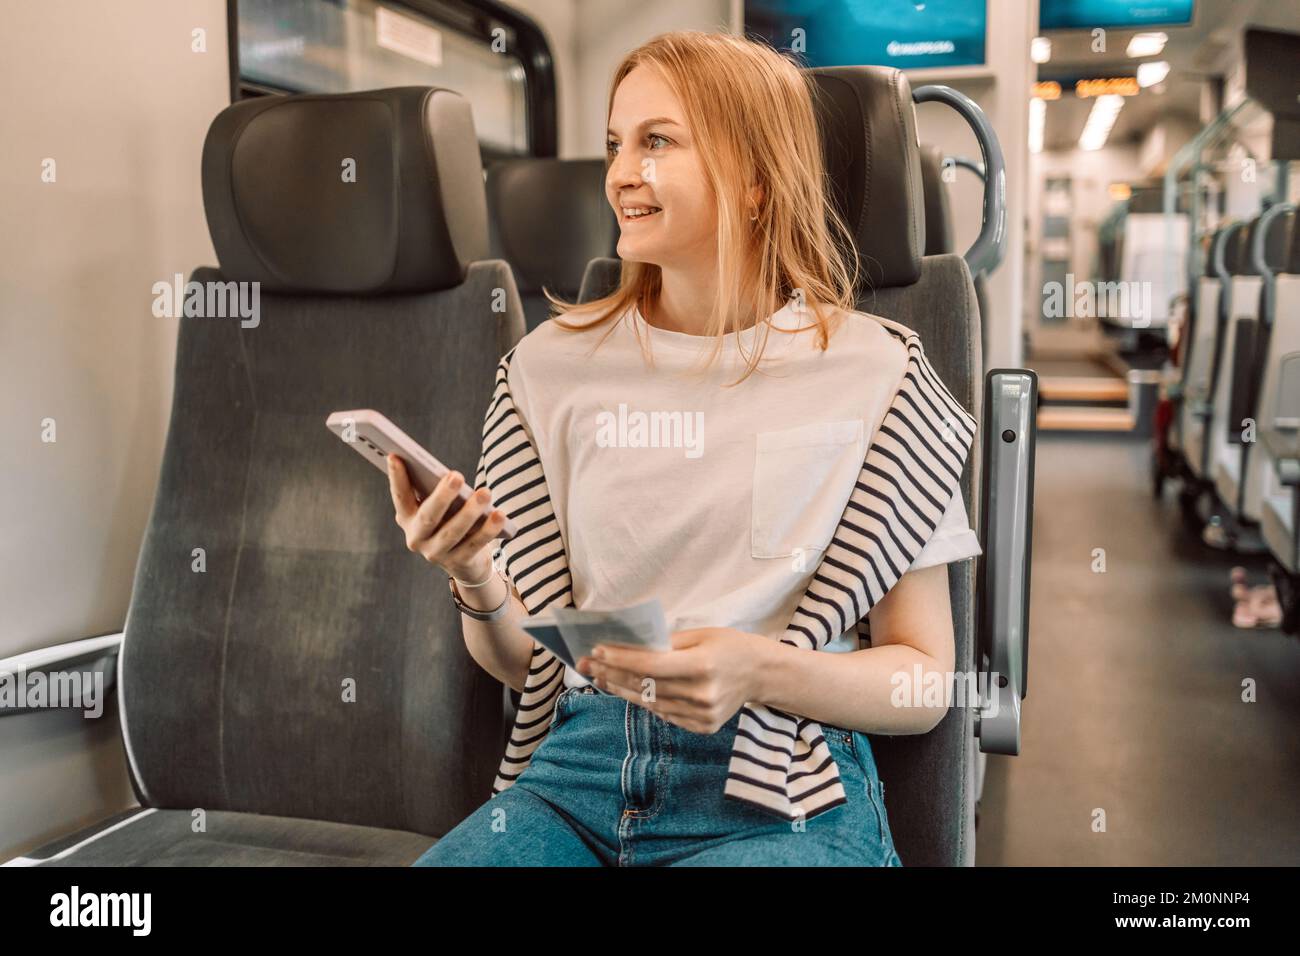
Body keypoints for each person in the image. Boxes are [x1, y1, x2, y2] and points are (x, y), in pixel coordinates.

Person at [396, 30, 980, 866]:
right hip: (578, 773)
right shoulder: (546, 370)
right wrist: (473, 574)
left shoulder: (880, 375)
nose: (619, 173)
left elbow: (926, 682)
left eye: (656, 141)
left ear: (753, 177)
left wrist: (758, 671)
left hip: (781, 785)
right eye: (614, 145)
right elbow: (523, 663)